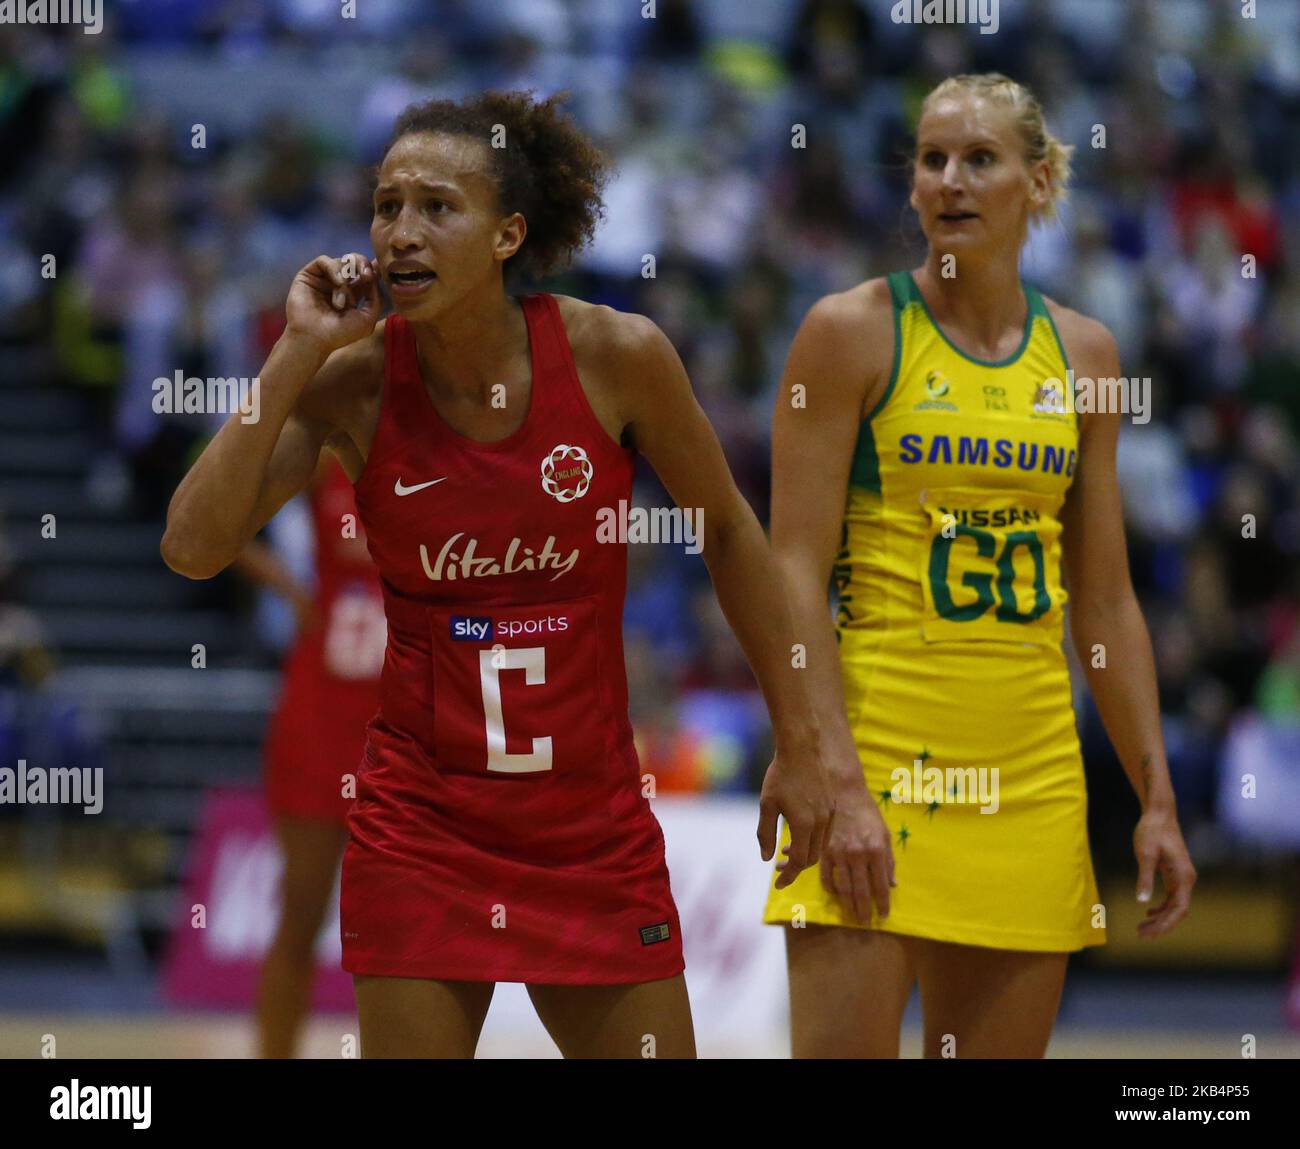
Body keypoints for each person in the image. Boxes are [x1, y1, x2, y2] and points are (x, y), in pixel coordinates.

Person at [161, 90, 831, 1059]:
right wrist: (298, 349)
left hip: (591, 824)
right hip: (421, 828)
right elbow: (192, 545)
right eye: (386, 206)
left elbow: (729, 534)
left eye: (438, 207)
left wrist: (802, 742)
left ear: (508, 233)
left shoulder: (619, 357)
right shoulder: (353, 381)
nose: (401, 232)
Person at [763, 73, 1197, 1058]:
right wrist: (818, 761)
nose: (948, 180)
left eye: (979, 159)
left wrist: (1155, 799)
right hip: (870, 760)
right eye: (930, 159)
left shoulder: (1086, 358)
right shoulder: (850, 332)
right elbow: (787, 572)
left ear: (1038, 183)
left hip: (1029, 778)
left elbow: (1105, 602)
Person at [234, 455, 384, 1058]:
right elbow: (221, 518)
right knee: (301, 911)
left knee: (408, 933)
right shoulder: (324, 453)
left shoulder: (443, 449)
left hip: (407, 718)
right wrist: (292, 591)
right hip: (321, 714)